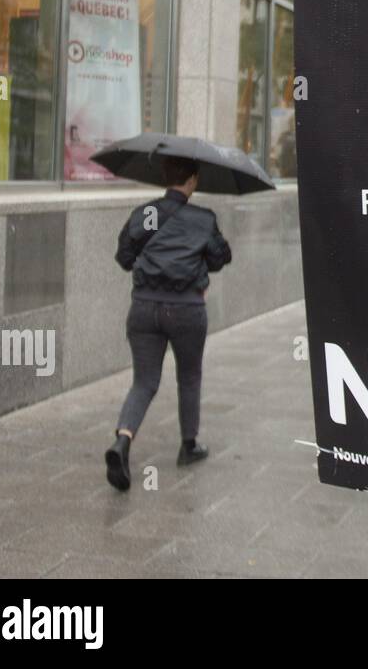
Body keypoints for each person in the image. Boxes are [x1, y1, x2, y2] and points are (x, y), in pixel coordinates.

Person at [105, 155, 232, 491]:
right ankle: (189, 446)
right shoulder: (203, 219)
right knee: (189, 376)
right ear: (193, 180)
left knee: (144, 382)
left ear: (165, 177)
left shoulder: (148, 214)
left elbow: (124, 257)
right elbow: (221, 258)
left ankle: (122, 440)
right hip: (187, 309)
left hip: (144, 308)